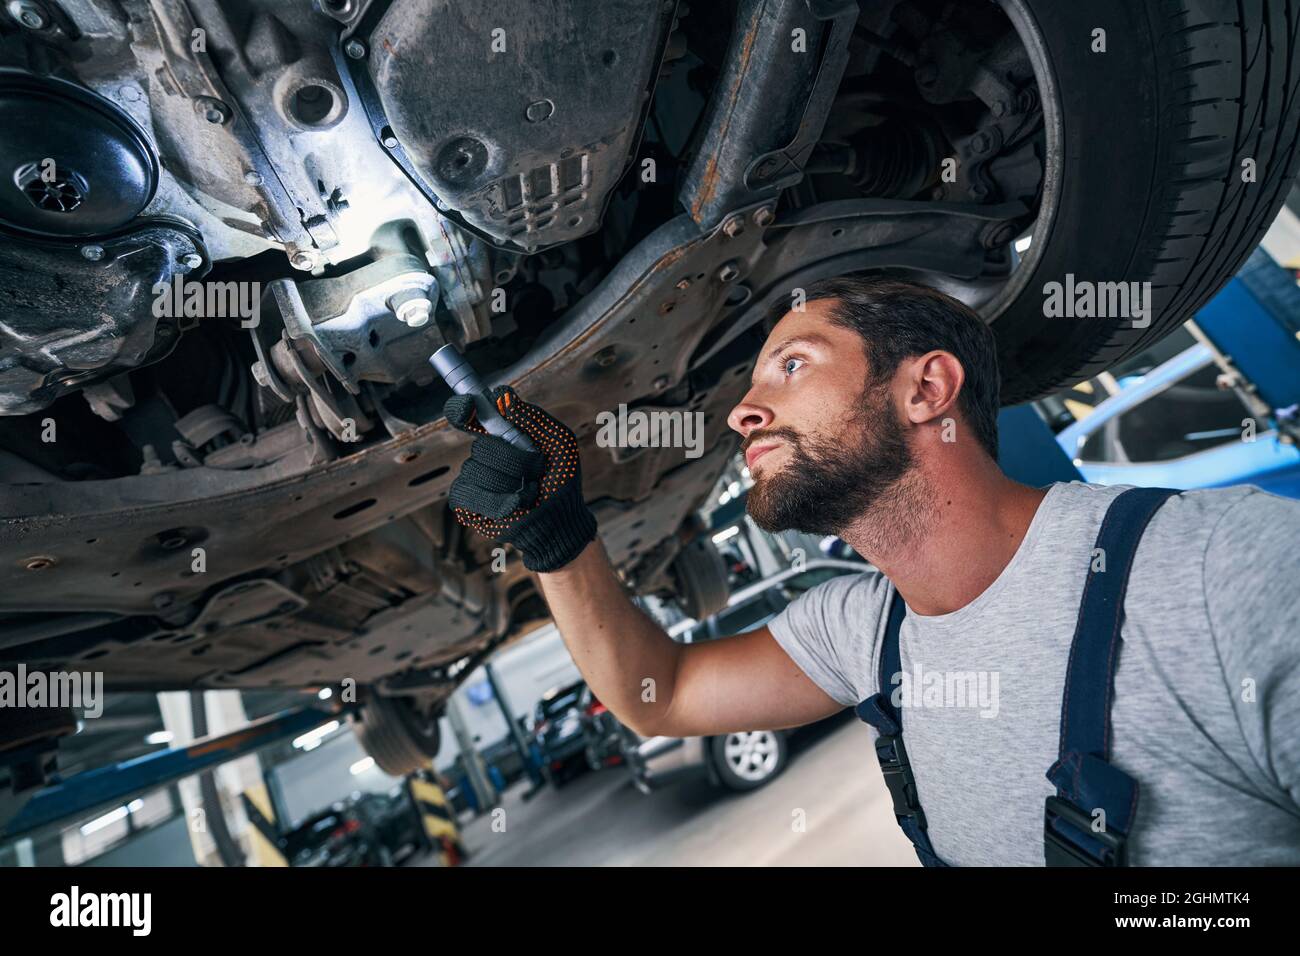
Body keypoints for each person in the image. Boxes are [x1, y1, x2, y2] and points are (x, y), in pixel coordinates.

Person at [441, 275, 1300, 865]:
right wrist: (554, 536)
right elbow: (654, 693)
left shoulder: (1215, 572)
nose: (744, 410)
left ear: (927, 390)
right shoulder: (863, 632)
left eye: (791, 365)